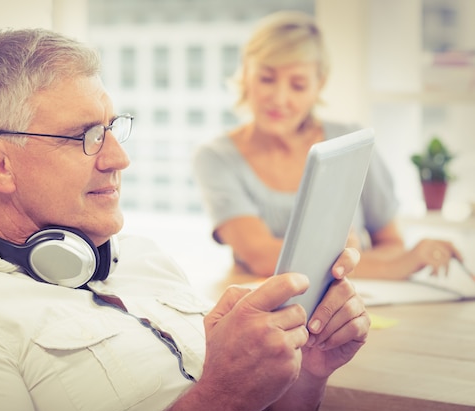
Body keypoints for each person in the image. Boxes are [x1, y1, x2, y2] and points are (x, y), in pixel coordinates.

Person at [0, 28, 370, 411]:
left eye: (112, 128)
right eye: (86, 135)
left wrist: (305, 376)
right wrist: (223, 396)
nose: (118, 158)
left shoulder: (141, 257)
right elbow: (229, 399)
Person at [192, 10, 463, 281]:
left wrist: (371, 259)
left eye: (297, 85)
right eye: (266, 79)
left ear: (318, 85)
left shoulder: (351, 143)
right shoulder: (216, 157)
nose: (279, 97)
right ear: (245, 74)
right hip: (269, 313)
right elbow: (263, 258)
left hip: (356, 303)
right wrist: (393, 265)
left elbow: (391, 243)